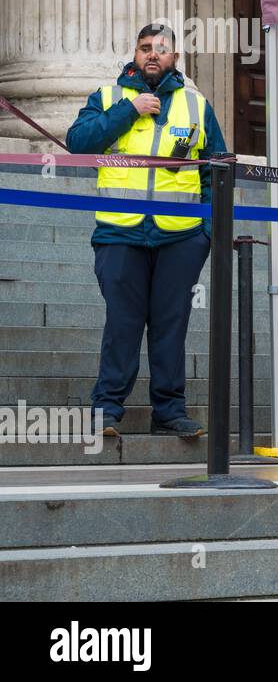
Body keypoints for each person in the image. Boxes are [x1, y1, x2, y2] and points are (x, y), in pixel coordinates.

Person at [66, 23, 228, 438]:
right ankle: (106, 410)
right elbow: (79, 142)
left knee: (170, 325)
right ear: (134, 54)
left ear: (176, 57)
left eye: (161, 49)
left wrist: (206, 230)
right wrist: (130, 110)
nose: (152, 55)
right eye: (144, 48)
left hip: (181, 238)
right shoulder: (108, 98)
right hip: (119, 235)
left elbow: (217, 169)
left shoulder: (196, 105)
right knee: (122, 322)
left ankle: (169, 413)